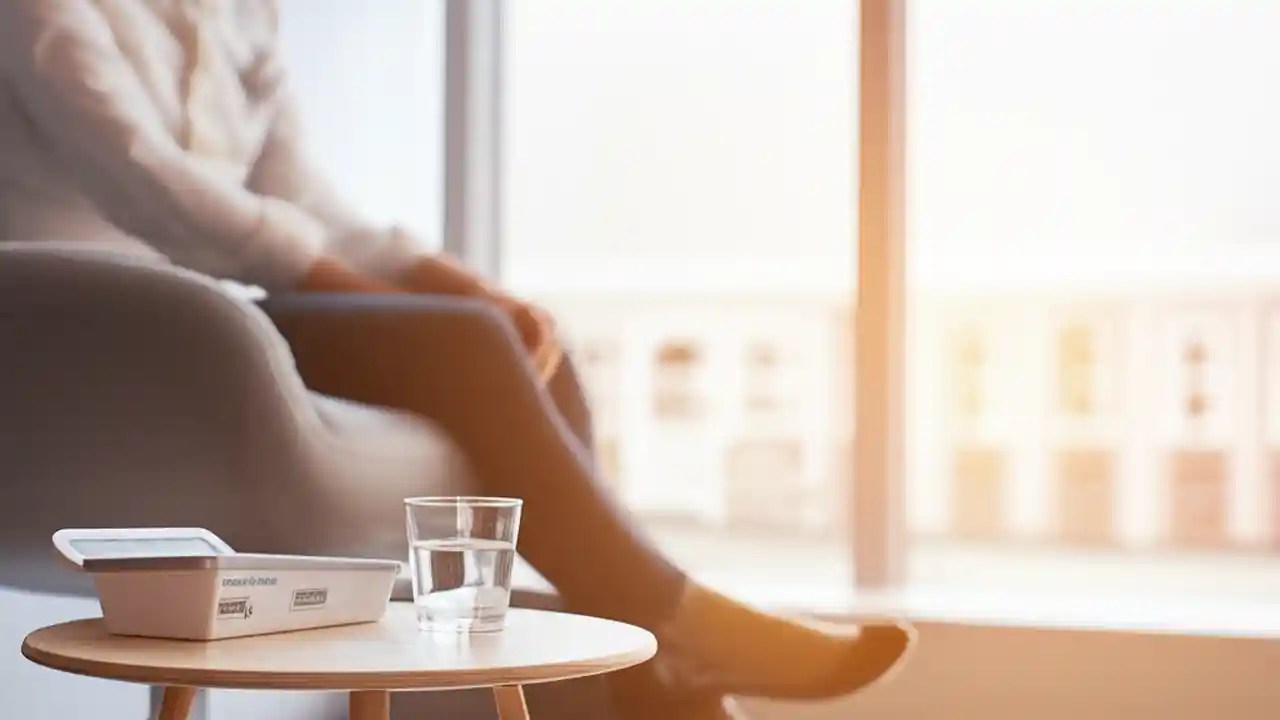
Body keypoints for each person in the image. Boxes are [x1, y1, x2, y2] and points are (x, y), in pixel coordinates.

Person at [0, 2, 912, 717]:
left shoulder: (242, 13)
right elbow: (146, 177)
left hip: (205, 324)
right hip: (76, 330)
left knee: (522, 342)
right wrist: (386, 297)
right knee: (462, 342)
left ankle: (665, 663)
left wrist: (457, 281)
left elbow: (308, 201)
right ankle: (673, 625)